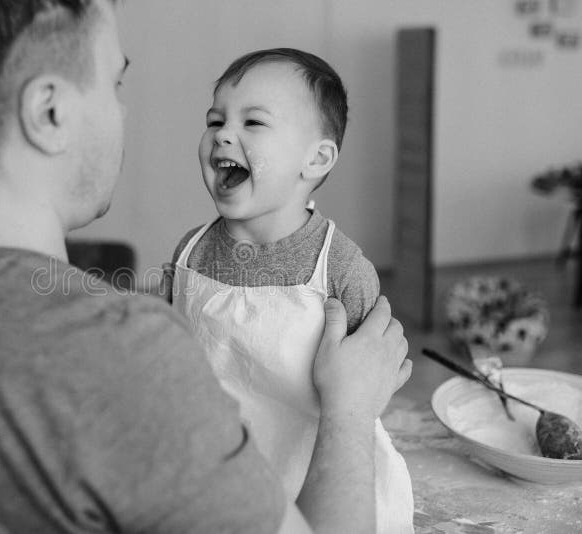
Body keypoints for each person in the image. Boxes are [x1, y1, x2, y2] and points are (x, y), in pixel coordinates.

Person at [0, 1, 411, 532]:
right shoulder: (121, 352)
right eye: (115, 82)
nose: (123, 108)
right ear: (50, 111)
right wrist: (350, 411)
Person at [167, 49, 414, 532]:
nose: (223, 133)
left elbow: (369, 388)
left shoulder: (341, 270)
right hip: (225, 489)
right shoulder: (188, 252)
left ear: (316, 159)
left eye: (253, 122)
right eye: (215, 119)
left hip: (329, 491)